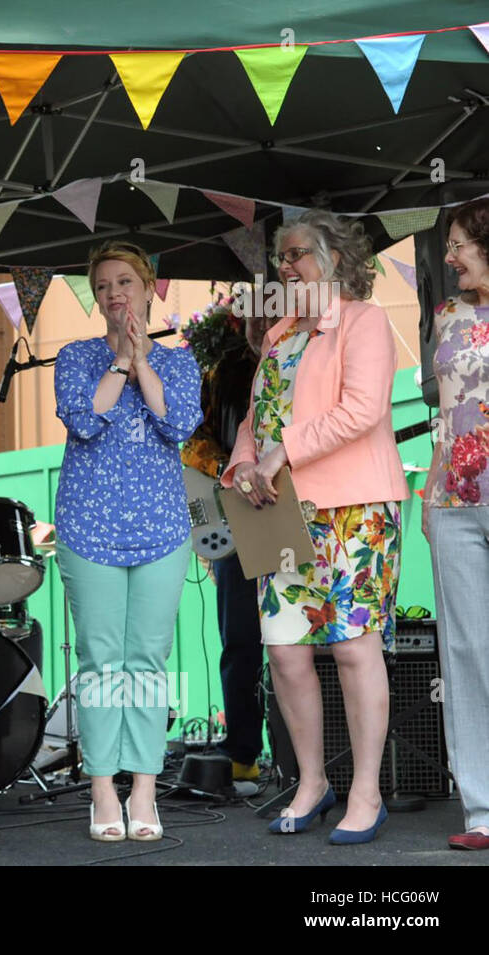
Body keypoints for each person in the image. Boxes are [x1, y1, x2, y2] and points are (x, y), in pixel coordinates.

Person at [223, 210, 407, 844]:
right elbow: (256, 417)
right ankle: (312, 782)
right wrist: (246, 457)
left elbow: (362, 408)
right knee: (284, 651)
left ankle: (366, 790)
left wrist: (282, 451)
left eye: (298, 253)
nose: (286, 265)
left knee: (355, 649)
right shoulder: (278, 336)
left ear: (337, 258)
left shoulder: (364, 319)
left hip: (353, 507)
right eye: (281, 256)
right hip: (278, 510)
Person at [54, 241, 201, 842]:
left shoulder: (179, 361)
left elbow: (178, 423)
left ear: (148, 290)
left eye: (126, 283)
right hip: (90, 529)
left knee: (145, 661)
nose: (116, 294)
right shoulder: (74, 356)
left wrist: (143, 361)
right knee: (99, 662)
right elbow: (85, 419)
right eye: (105, 286)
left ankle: (144, 786)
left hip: (162, 531)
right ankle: (101, 790)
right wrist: (119, 363)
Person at [180, 304, 275, 782]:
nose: (261, 324)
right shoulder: (224, 371)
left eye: (269, 313)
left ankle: (299, 757)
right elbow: (194, 438)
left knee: (294, 638)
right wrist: (227, 473)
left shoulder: (305, 357)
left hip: (291, 507)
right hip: (235, 510)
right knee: (239, 637)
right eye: (253, 316)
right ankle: (242, 751)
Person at [422, 196, 489, 850]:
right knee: (466, 648)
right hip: (454, 496)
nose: (449, 256)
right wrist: (428, 485)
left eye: (458, 243)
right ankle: (481, 808)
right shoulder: (447, 317)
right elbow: (448, 407)